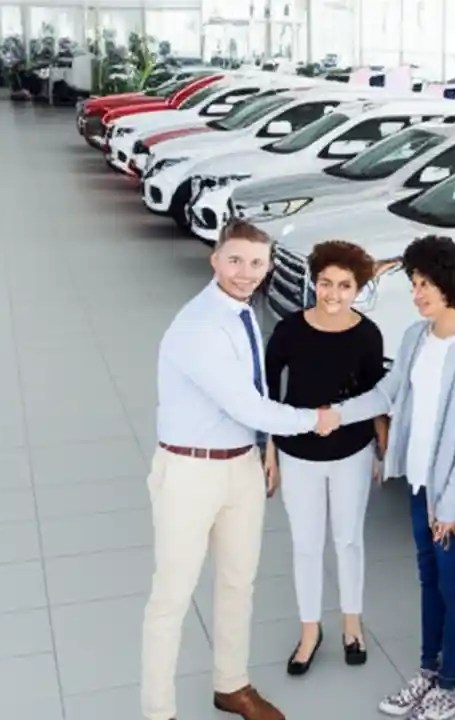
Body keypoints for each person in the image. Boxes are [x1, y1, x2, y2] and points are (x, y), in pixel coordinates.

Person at [141, 220, 340, 720]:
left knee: (238, 583)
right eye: (235, 260)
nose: (245, 273)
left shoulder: (242, 312)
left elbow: (254, 396)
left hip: (240, 467)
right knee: (171, 597)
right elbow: (246, 404)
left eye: (256, 263)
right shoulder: (200, 325)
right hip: (190, 472)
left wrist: (264, 449)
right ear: (215, 258)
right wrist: (313, 420)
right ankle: (158, 711)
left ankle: (231, 685)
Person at [332, 235, 455, 720]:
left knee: (454, 586)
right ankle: (427, 671)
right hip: (421, 486)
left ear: (450, 284)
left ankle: (449, 685)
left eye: (424, 284)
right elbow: (388, 392)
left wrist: (450, 507)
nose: (416, 293)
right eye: (414, 284)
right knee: (428, 580)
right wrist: (336, 412)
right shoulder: (415, 338)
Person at [262, 240, 388, 675]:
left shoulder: (368, 335)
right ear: (314, 282)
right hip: (297, 452)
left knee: (348, 540)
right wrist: (270, 450)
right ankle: (309, 630)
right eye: (325, 283)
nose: (333, 294)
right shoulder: (289, 331)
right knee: (306, 544)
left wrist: (381, 447)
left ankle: (352, 623)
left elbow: (375, 396)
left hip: (352, 451)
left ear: (358, 289)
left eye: (344, 285)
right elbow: (269, 396)